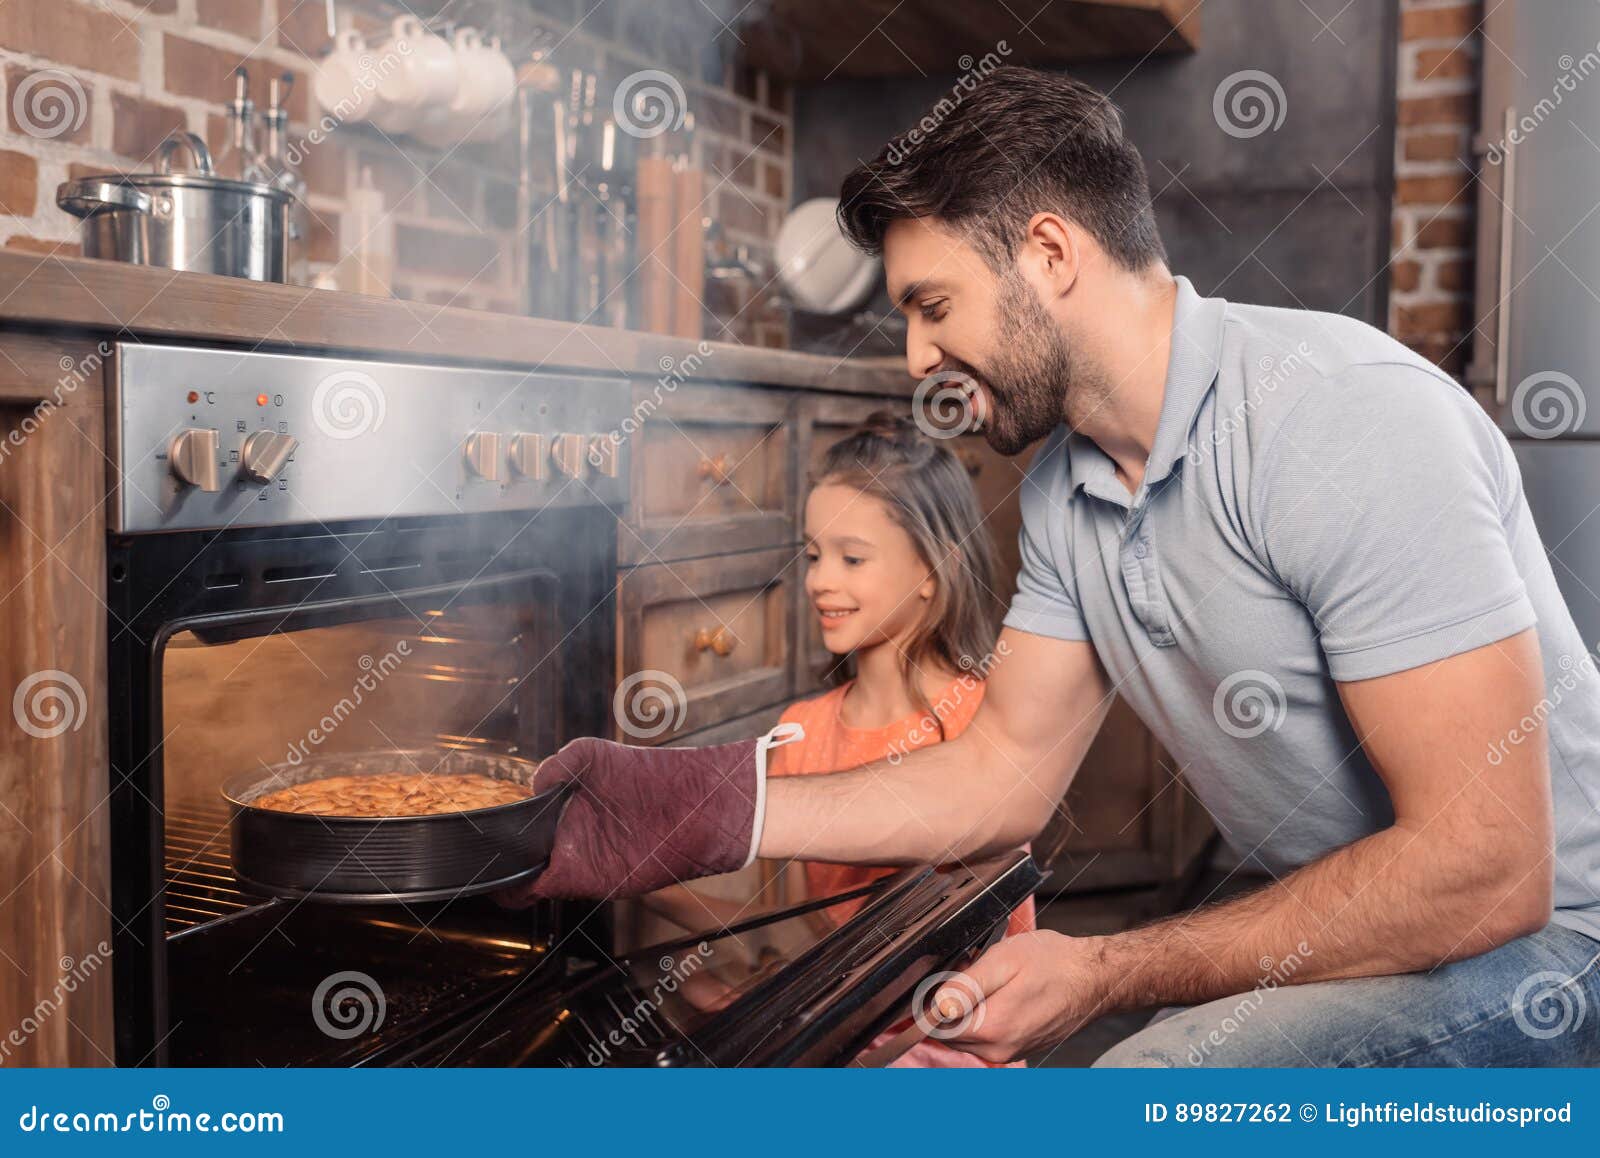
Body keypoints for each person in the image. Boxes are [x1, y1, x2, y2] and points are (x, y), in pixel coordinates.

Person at [506, 65, 1600, 1067]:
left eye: (933, 307)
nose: (917, 357)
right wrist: (707, 804)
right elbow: (998, 773)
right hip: (1398, 923)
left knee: (1146, 1077)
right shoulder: (1065, 494)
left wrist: (1100, 970)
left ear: (1049, 254)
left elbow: (1487, 869)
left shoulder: (1339, 420)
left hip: (1555, 947)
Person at [770, 412, 1034, 1067]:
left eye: (851, 558)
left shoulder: (986, 721)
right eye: (812, 554)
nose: (819, 580)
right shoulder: (798, 731)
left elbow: (1007, 951)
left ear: (930, 569)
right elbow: (784, 926)